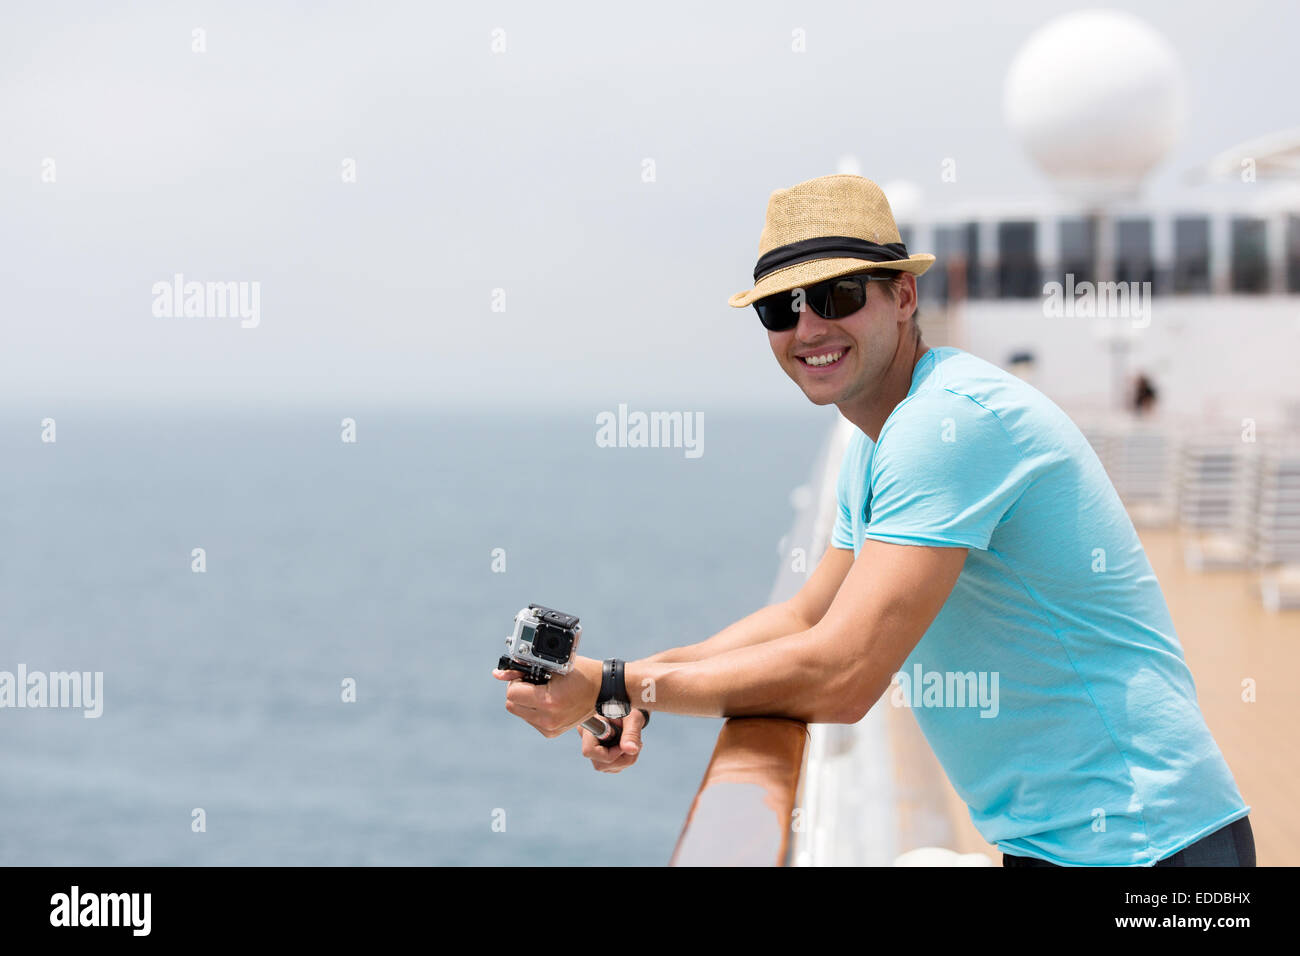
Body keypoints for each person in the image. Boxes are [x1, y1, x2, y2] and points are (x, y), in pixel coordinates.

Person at [493, 174, 1253, 866]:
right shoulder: (884, 434)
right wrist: (620, 685)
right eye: (781, 308)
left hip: (1151, 847)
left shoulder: (944, 427)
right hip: (1080, 844)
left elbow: (845, 676)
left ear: (904, 296)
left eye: (837, 295)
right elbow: (804, 618)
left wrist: (623, 684)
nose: (808, 328)